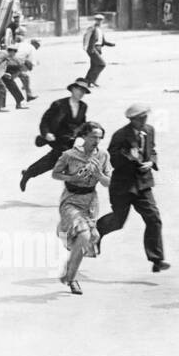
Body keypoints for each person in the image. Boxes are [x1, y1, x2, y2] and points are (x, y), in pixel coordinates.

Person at [97, 103, 167, 272]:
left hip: (143, 184)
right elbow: (112, 159)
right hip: (123, 186)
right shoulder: (120, 135)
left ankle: (156, 259)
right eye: (140, 119)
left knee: (154, 219)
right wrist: (127, 156)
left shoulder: (149, 130)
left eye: (145, 117)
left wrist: (151, 162)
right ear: (131, 120)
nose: (144, 121)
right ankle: (97, 230)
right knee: (118, 221)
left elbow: (153, 151)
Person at [52, 122, 111, 295]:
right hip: (70, 200)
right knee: (84, 235)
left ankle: (69, 271)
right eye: (93, 137)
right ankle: (72, 278)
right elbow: (55, 174)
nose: (97, 141)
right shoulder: (69, 155)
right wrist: (72, 177)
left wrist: (99, 174)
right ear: (84, 136)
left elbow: (108, 183)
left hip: (91, 202)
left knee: (83, 241)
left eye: (100, 138)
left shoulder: (103, 155)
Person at [21, 79, 90, 192]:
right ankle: (29, 173)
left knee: (56, 161)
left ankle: (29, 172)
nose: (81, 93)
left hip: (72, 141)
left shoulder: (83, 106)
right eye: (79, 90)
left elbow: (82, 123)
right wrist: (46, 133)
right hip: (58, 139)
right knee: (61, 161)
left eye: (84, 91)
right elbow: (45, 120)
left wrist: (81, 136)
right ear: (72, 89)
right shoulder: (59, 104)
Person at [83, 14, 115, 85]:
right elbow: (86, 37)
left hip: (99, 49)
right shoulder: (92, 28)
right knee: (102, 64)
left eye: (100, 20)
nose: (99, 22)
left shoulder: (100, 30)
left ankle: (87, 82)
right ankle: (91, 80)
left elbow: (102, 41)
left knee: (94, 66)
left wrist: (111, 44)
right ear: (95, 20)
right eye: (98, 20)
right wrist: (85, 46)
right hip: (92, 48)